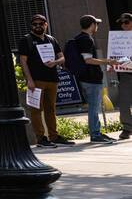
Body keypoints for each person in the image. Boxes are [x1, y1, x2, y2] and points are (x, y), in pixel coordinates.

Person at [18, 14, 68, 149]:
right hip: (36, 80)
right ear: (31, 25)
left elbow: (62, 58)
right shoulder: (26, 40)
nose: (38, 26)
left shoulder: (51, 39)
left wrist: (55, 63)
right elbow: (23, 61)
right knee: (36, 109)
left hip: (52, 79)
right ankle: (41, 138)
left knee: (50, 109)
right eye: (35, 24)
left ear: (46, 24)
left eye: (41, 23)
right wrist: (29, 80)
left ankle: (54, 136)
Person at [70, 14, 117, 145]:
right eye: (96, 24)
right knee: (94, 107)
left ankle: (96, 132)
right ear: (92, 25)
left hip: (84, 77)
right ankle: (95, 134)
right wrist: (108, 61)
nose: (97, 26)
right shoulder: (86, 39)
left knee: (94, 106)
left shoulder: (78, 38)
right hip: (91, 79)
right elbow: (88, 60)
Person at [115, 12, 132, 140]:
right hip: (126, 73)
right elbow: (114, 56)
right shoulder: (118, 39)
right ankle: (127, 128)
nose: (123, 25)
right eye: (121, 23)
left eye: (126, 22)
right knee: (124, 101)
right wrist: (112, 65)